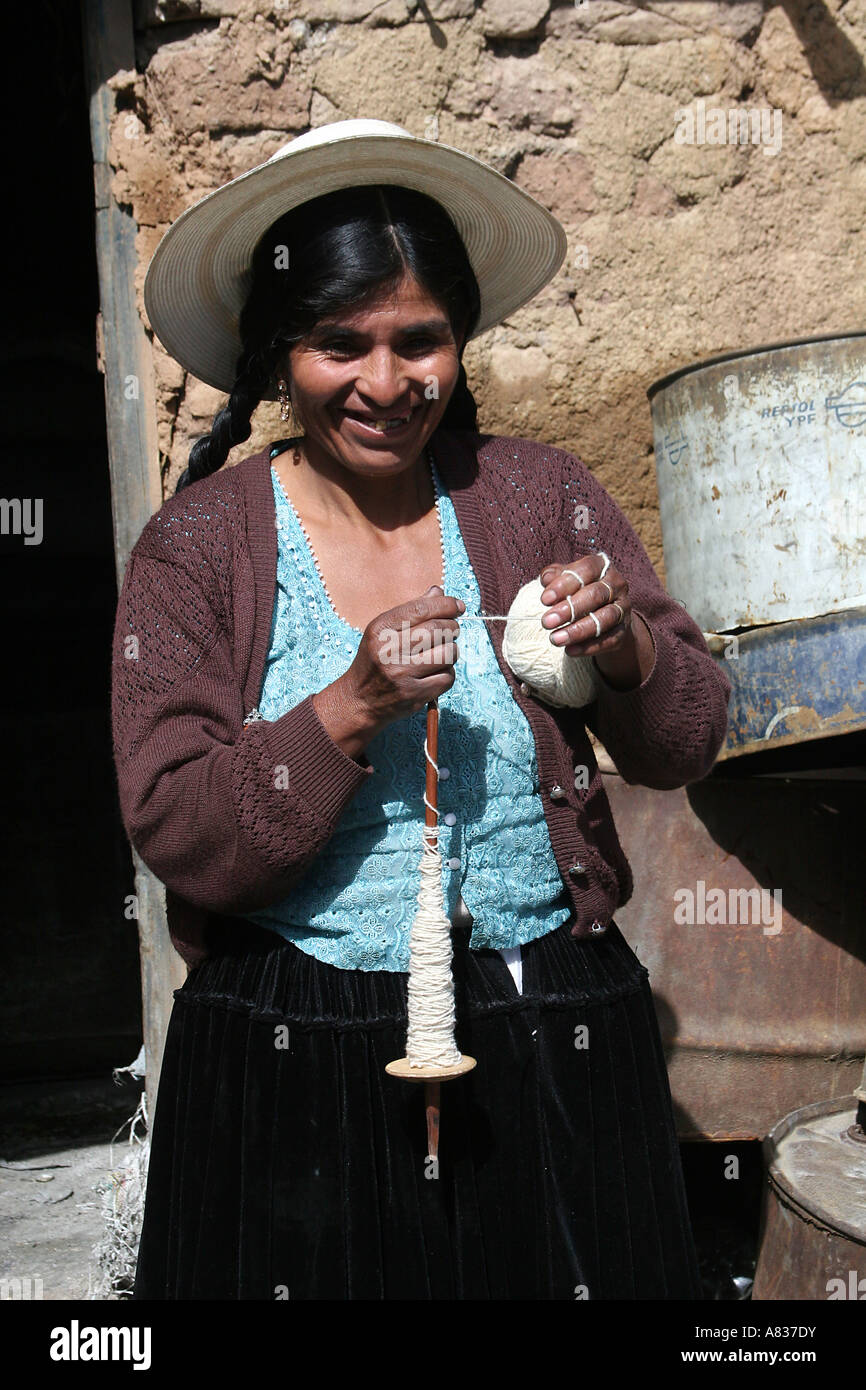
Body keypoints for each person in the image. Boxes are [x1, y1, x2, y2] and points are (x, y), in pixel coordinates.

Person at [112, 119, 732, 1300]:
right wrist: (348, 706)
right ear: (276, 355)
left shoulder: (539, 494)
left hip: (545, 1016)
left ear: (461, 341)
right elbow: (171, 823)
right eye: (337, 345)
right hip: (290, 1041)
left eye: (419, 341)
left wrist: (627, 646)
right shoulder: (196, 548)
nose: (386, 385)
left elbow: (690, 735)